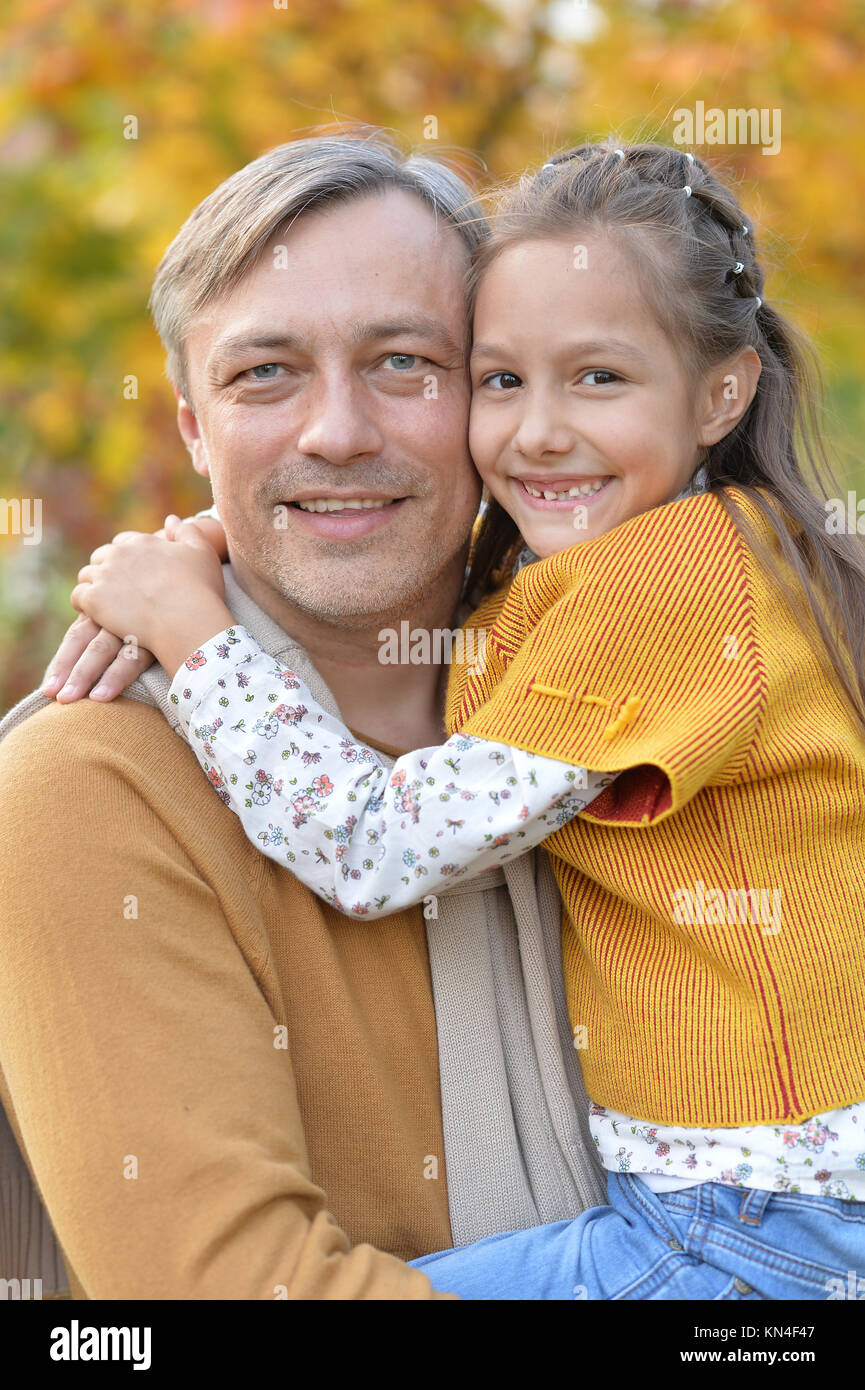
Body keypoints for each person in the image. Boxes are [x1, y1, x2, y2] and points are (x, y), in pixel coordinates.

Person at [69, 141, 865, 1301]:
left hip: (758, 1226)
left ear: (719, 392)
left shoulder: (670, 582)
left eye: (597, 377)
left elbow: (375, 844)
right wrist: (216, 546)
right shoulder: (642, 561)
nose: (539, 431)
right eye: (501, 381)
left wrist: (197, 634)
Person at [0, 131, 608, 1302]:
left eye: (402, 362)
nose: (336, 430)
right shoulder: (86, 789)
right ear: (191, 426)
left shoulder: (619, 720)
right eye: (263, 373)